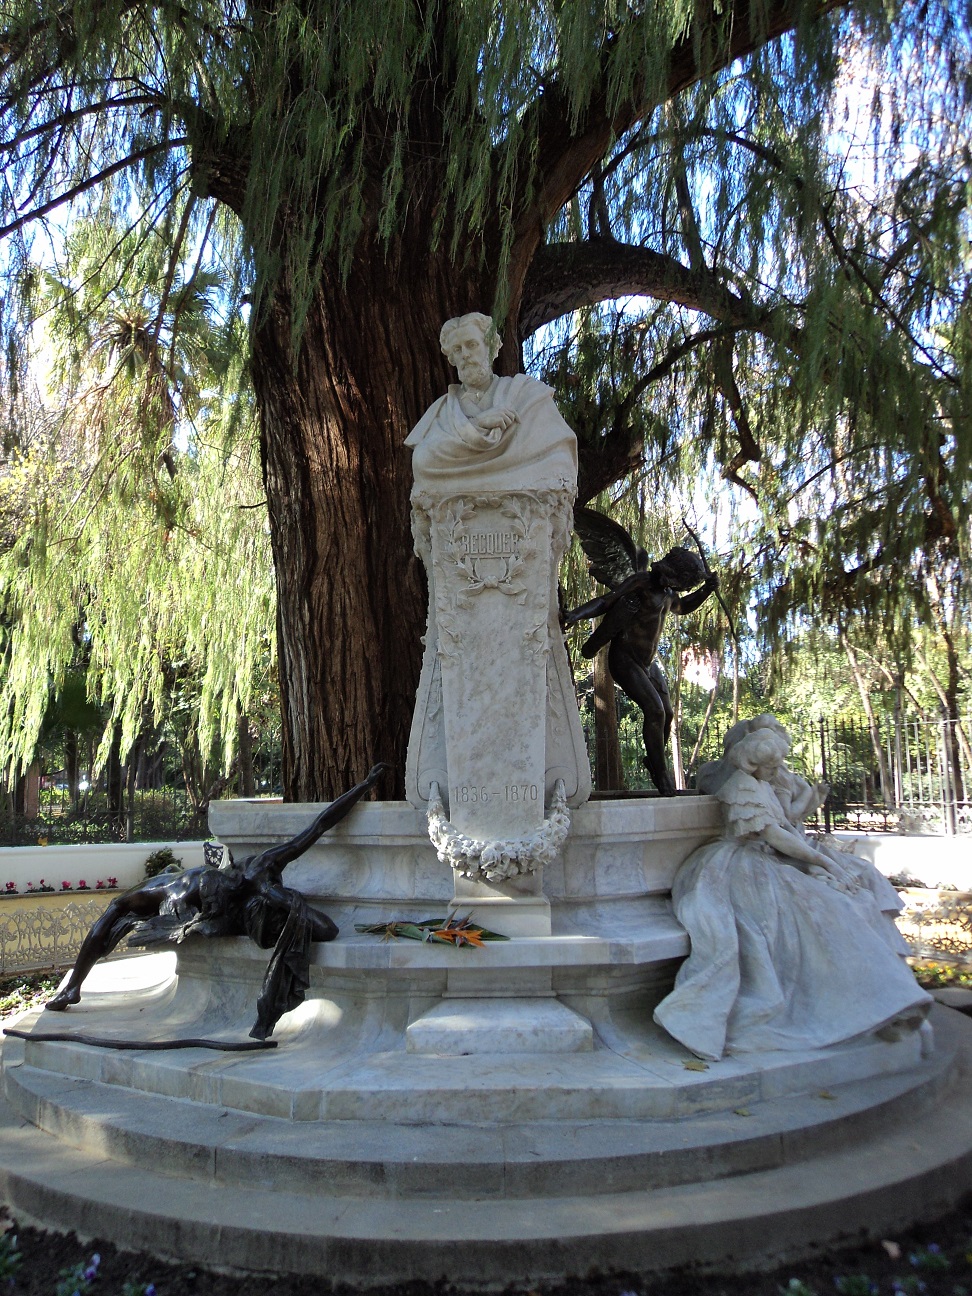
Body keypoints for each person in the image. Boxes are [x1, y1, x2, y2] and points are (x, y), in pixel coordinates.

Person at [45, 763, 389, 1039]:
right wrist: (363, 786)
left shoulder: (252, 887)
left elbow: (325, 927)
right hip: (177, 883)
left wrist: (280, 899)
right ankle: (74, 985)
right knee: (121, 906)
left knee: (122, 907)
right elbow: (318, 826)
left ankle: (73, 986)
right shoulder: (260, 866)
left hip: (177, 898)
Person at [653, 729, 931, 1060]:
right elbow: (775, 836)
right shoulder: (741, 788)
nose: (778, 772)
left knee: (843, 903)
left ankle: (881, 1000)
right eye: (773, 766)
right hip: (741, 868)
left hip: (767, 860)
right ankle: (862, 1004)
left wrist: (820, 860)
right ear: (755, 764)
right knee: (820, 910)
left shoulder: (762, 785)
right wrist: (820, 860)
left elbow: (786, 827)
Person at [565, 546, 719, 795]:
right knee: (655, 711)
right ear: (676, 574)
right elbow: (606, 602)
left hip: (648, 662)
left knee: (667, 714)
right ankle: (662, 775)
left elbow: (683, 606)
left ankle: (653, 760)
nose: (684, 588)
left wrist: (706, 590)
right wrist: (575, 614)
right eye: (687, 582)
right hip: (624, 658)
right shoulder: (641, 582)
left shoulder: (669, 594)